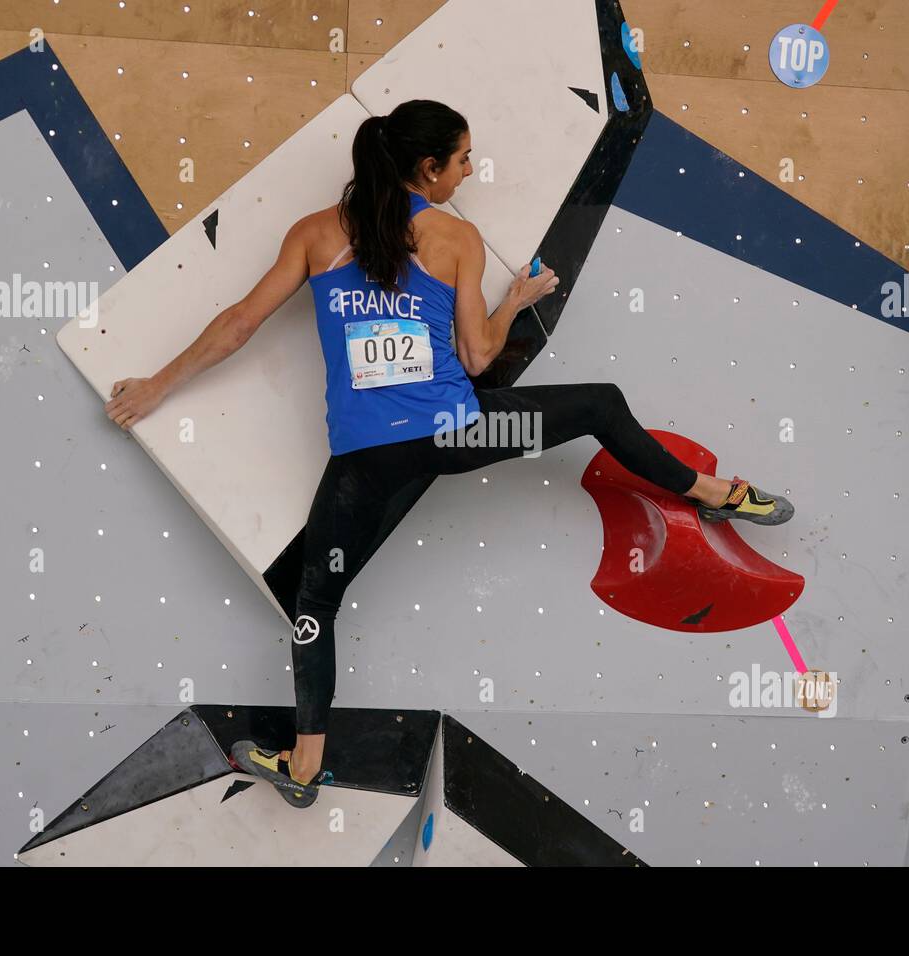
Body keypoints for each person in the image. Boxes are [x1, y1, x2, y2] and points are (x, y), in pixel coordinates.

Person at [104, 99, 793, 808]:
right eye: (462, 159)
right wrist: (514, 300)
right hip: (461, 435)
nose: (469, 170)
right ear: (427, 169)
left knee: (316, 603)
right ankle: (714, 494)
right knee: (600, 405)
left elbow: (241, 323)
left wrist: (157, 385)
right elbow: (479, 354)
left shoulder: (314, 235)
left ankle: (305, 767)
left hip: (366, 458)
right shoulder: (456, 238)